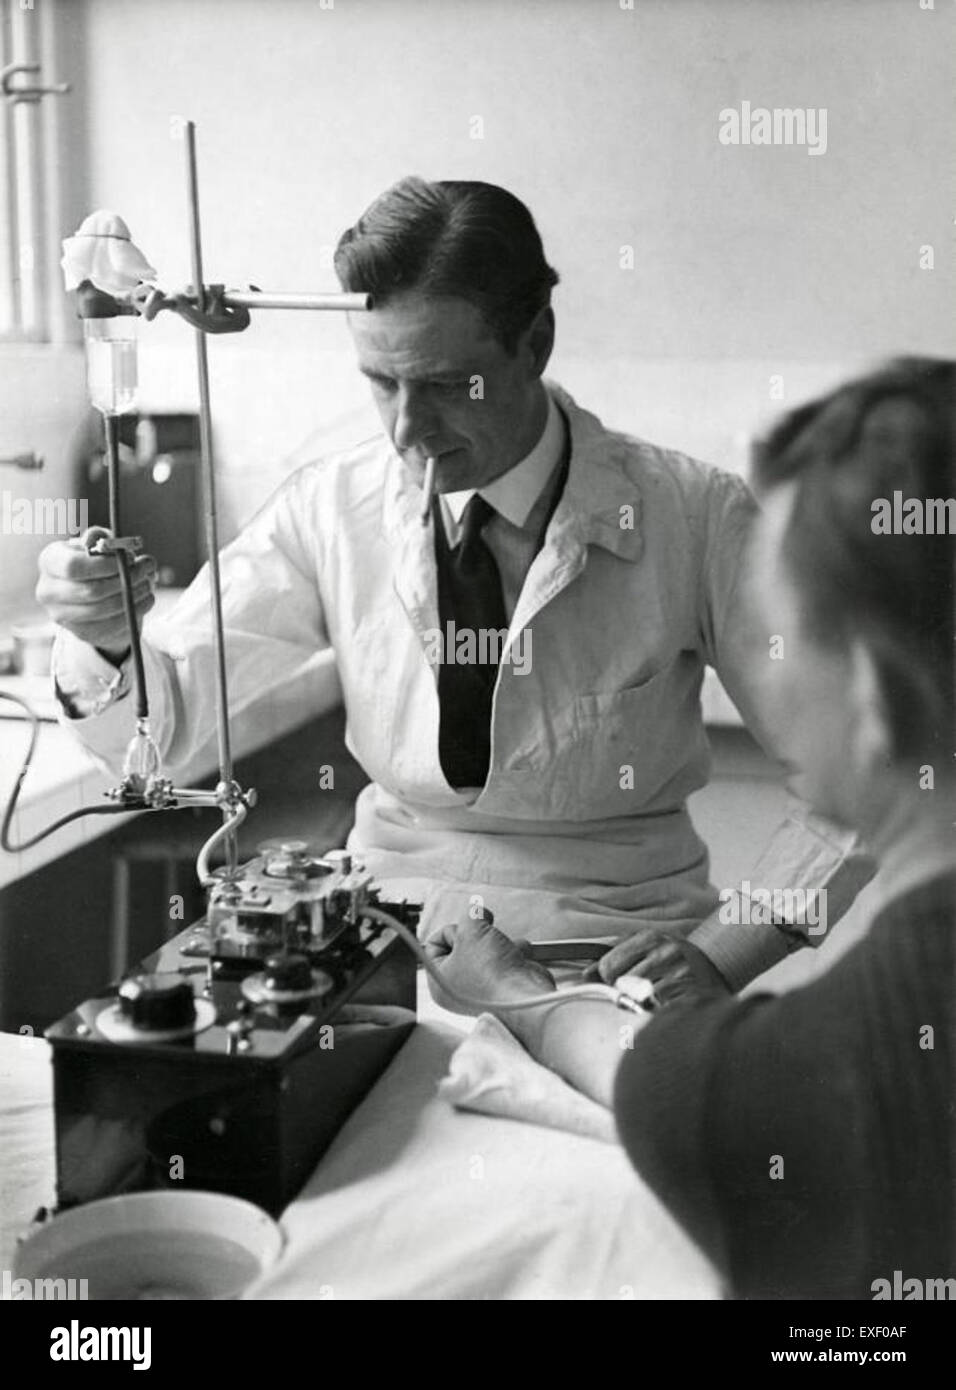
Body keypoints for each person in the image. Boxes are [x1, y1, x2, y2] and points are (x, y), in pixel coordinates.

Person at [38, 177, 869, 994]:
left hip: (610, 961)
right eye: (380, 382)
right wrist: (104, 636)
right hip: (379, 954)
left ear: (535, 343)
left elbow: (872, 771)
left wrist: (721, 956)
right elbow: (164, 731)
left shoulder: (694, 516)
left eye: (443, 385)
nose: (407, 429)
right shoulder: (330, 510)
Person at [425, 358, 955, 1299]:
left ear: (870, 697)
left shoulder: (840, 1064)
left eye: (780, 631)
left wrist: (517, 993)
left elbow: (671, 1084)